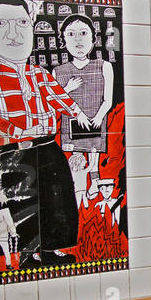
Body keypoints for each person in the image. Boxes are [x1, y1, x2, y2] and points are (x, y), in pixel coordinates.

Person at [0, 0, 86, 267]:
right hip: (11, 152)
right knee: (21, 204)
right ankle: (27, 253)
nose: (15, 34)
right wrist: (12, 130)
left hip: (47, 147)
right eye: (1, 24)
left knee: (57, 198)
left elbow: (57, 96)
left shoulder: (38, 73)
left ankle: (52, 249)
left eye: (22, 23)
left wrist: (77, 112)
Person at [54, 13, 114, 182]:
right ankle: (79, 191)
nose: (77, 39)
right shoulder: (58, 71)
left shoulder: (104, 66)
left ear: (93, 39)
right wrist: (67, 88)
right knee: (76, 163)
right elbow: (55, 101)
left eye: (83, 33)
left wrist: (99, 117)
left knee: (94, 162)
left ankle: (95, 187)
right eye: (71, 34)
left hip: (95, 122)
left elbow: (107, 100)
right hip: (71, 125)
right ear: (64, 40)